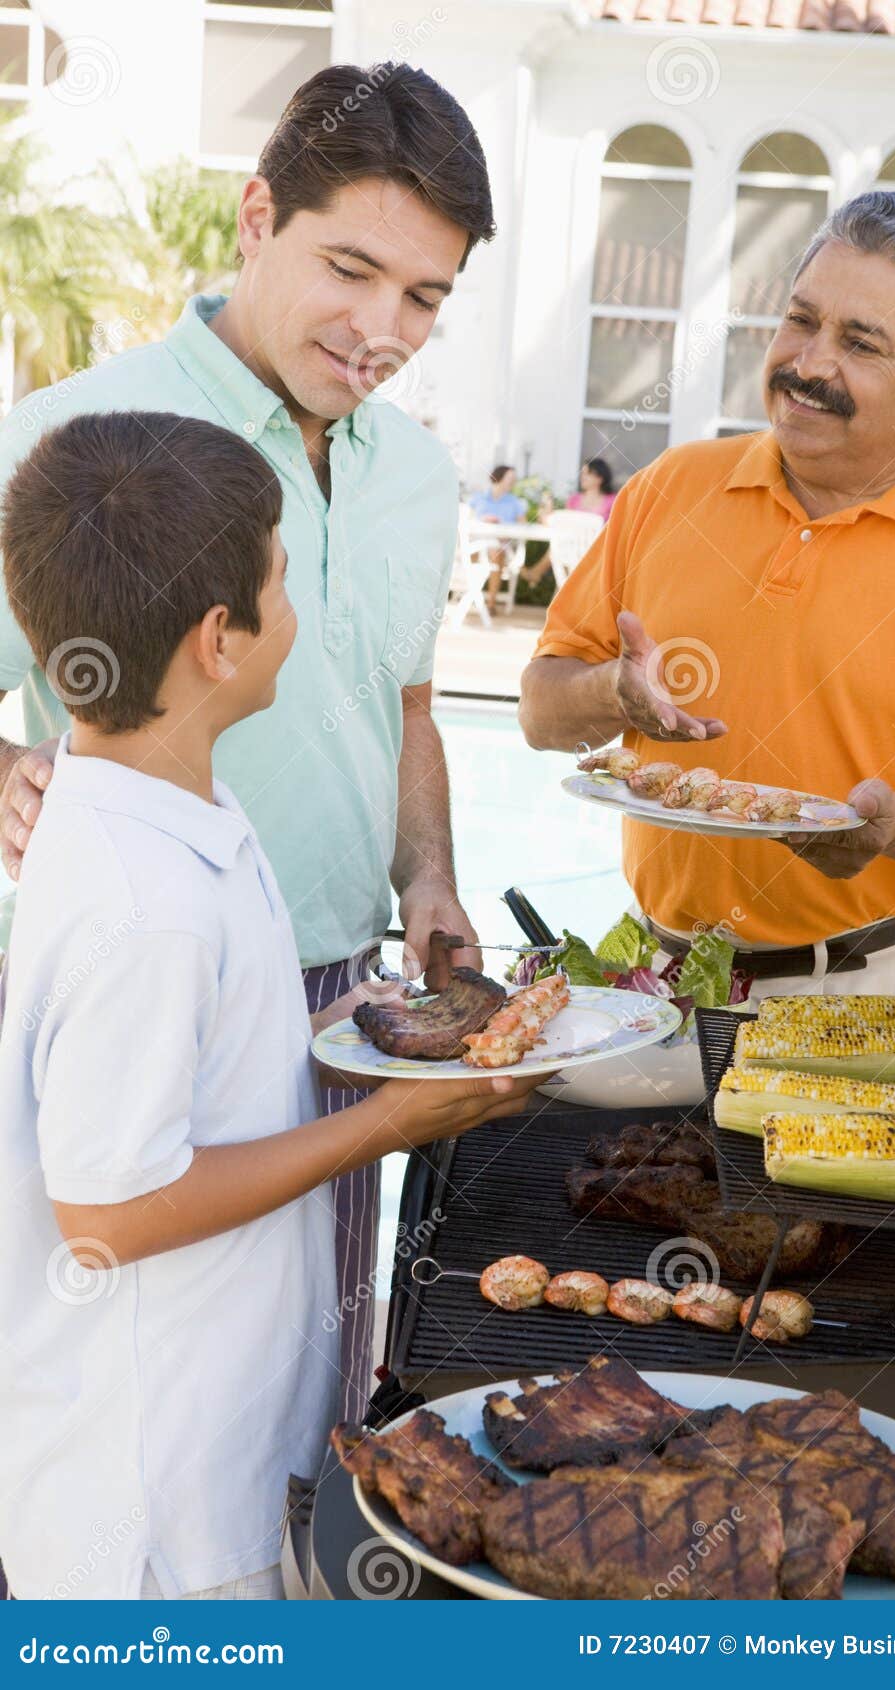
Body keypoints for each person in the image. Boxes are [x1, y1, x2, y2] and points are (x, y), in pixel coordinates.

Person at [0, 62, 495, 1425]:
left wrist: (430, 881)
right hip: (147, 998)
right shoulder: (71, 442)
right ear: (256, 217)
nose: (381, 329)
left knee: (304, 1402)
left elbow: (403, 701)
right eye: (351, 268)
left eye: (425, 298)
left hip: (348, 1005)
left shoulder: (416, 472)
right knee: (130, 1405)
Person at [0, 412, 540, 1601]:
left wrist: (393, 1038)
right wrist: (384, 1128)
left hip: (217, 1452)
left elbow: (211, 1066)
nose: (296, 603)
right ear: (217, 640)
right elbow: (107, 1209)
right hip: (153, 1529)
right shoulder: (139, 903)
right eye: (283, 577)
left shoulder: (168, 800)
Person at [519, 192, 895, 1000]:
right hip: (660, 983)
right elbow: (538, 714)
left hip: (877, 992)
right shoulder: (672, 488)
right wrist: (612, 695)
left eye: (860, 343)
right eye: (800, 320)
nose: (808, 365)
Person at [522, 459, 616, 594]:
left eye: (587, 473)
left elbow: (612, 528)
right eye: (582, 473)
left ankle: (536, 572)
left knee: (558, 547)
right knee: (560, 544)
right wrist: (547, 511)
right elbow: (561, 525)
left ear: (599, 477)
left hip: (597, 552)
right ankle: (539, 575)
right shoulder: (574, 499)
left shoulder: (612, 500)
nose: (582, 477)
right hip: (570, 548)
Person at [469, 464, 526, 613]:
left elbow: (523, 526)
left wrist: (505, 530)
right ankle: (470, 596)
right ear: (499, 477)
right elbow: (466, 520)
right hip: (477, 542)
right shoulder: (479, 498)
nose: (513, 482)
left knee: (496, 551)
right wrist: (483, 520)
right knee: (474, 551)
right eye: (510, 478)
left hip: (500, 544)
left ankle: (491, 603)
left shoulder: (514, 502)